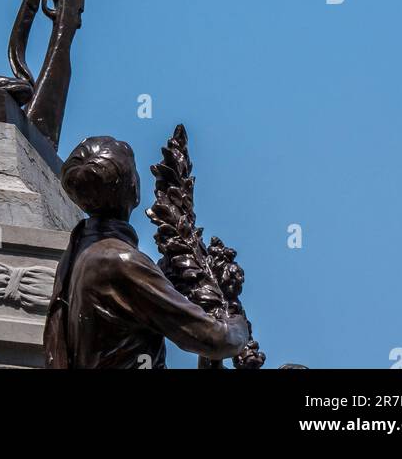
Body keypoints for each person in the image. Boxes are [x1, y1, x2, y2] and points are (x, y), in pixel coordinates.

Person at [44, 136, 250, 369]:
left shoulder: (80, 251)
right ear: (133, 187)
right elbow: (215, 340)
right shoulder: (120, 262)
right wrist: (237, 323)